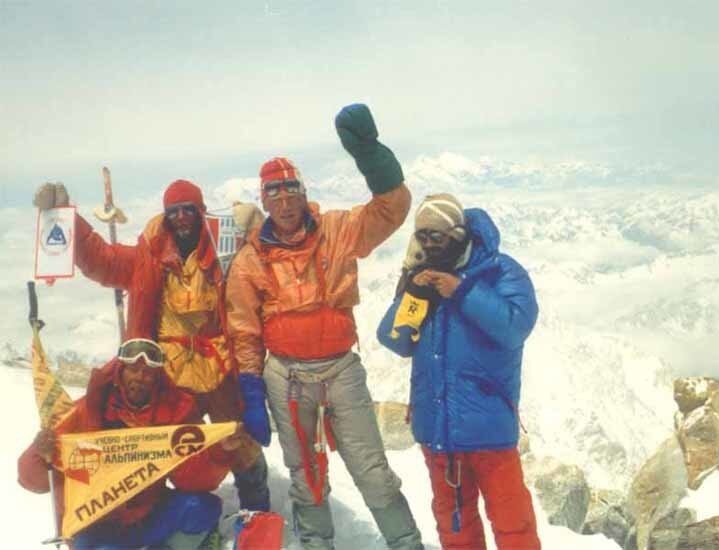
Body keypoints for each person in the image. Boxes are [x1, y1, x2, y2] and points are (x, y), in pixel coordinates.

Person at [225, 104, 423, 550]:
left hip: (340, 370)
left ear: (302, 191)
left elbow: (392, 209)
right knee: (305, 473)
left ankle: (406, 543)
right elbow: (244, 331)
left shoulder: (337, 230)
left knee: (370, 467)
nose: (283, 199)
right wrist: (252, 390)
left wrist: (370, 154)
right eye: (273, 192)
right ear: (264, 200)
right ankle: (316, 543)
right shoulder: (251, 259)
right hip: (287, 377)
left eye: (289, 189)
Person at [32, 179, 271, 512]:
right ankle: (166, 512)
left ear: (201, 212)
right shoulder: (149, 258)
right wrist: (66, 219)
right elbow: (102, 258)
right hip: (168, 374)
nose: (183, 217)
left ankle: (255, 506)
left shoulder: (225, 250)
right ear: (167, 216)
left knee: (238, 437)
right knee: (173, 448)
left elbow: (267, 256)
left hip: (219, 367)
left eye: (190, 210)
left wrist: (255, 224)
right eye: (175, 211)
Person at [377, 193, 542, 550]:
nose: (430, 244)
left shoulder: (500, 271)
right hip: (438, 428)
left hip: (487, 426)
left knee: (513, 522)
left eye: (438, 236)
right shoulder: (421, 278)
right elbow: (395, 341)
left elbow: (514, 327)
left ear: (459, 233)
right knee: (454, 524)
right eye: (422, 236)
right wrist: (412, 293)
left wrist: (463, 290)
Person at [17, 338, 239, 549]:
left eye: (148, 373)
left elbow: (191, 480)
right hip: (94, 524)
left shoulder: (172, 415)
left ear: (157, 379)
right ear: (119, 373)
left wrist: (219, 452)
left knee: (202, 508)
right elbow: (32, 480)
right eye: (133, 369)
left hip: (145, 515)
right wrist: (40, 453)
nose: (140, 377)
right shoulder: (84, 413)